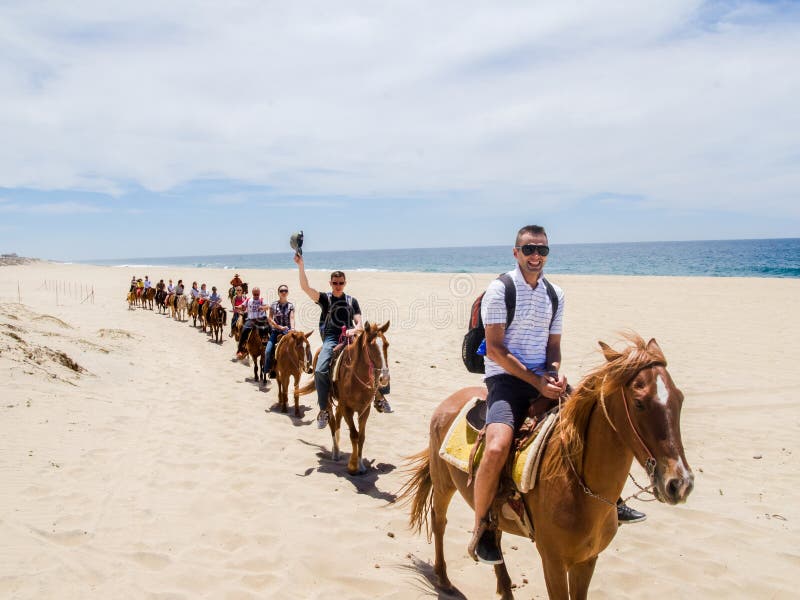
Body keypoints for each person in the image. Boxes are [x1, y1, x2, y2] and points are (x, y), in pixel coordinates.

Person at [294, 254, 363, 429]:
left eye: (341, 283)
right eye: (335, 283)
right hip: (332, 339)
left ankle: (380, 396)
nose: (338, 286)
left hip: (351, 337)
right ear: (330, 284)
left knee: (375, 355)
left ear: (345, 283)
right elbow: (305, 287)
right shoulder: (325, 299)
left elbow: (359, 323)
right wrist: (301, 265)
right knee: (319, 369)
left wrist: (354, 330)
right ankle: (324, 409)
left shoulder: (351, 301)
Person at [263, 285, 295, 376]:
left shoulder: (290, 305)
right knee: (268, 351)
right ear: (278, 293)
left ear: (288, 293)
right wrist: (279, 327)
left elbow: (292, 318)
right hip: (276, 331)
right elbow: (270, 318)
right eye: (281, 291)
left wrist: (292, 329)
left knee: (301, 345)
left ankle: (305, 365)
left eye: (285, 290)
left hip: (287, 331)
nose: (283, 292)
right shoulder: (274, 304)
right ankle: (268, 369)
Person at [236, 287, 268, 358]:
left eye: (257, 294)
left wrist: (263, 307)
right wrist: (239, 307)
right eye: (255, 294)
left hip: (261, 319)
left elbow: (267, 306)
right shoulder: (248, 300)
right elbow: (243, 306)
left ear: (259, 293)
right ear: (252, 293)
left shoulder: (261, 300)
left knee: (268, 328)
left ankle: (270, 346)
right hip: (251, 320)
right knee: (244, 331)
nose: (256, 295)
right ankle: (240, 350)